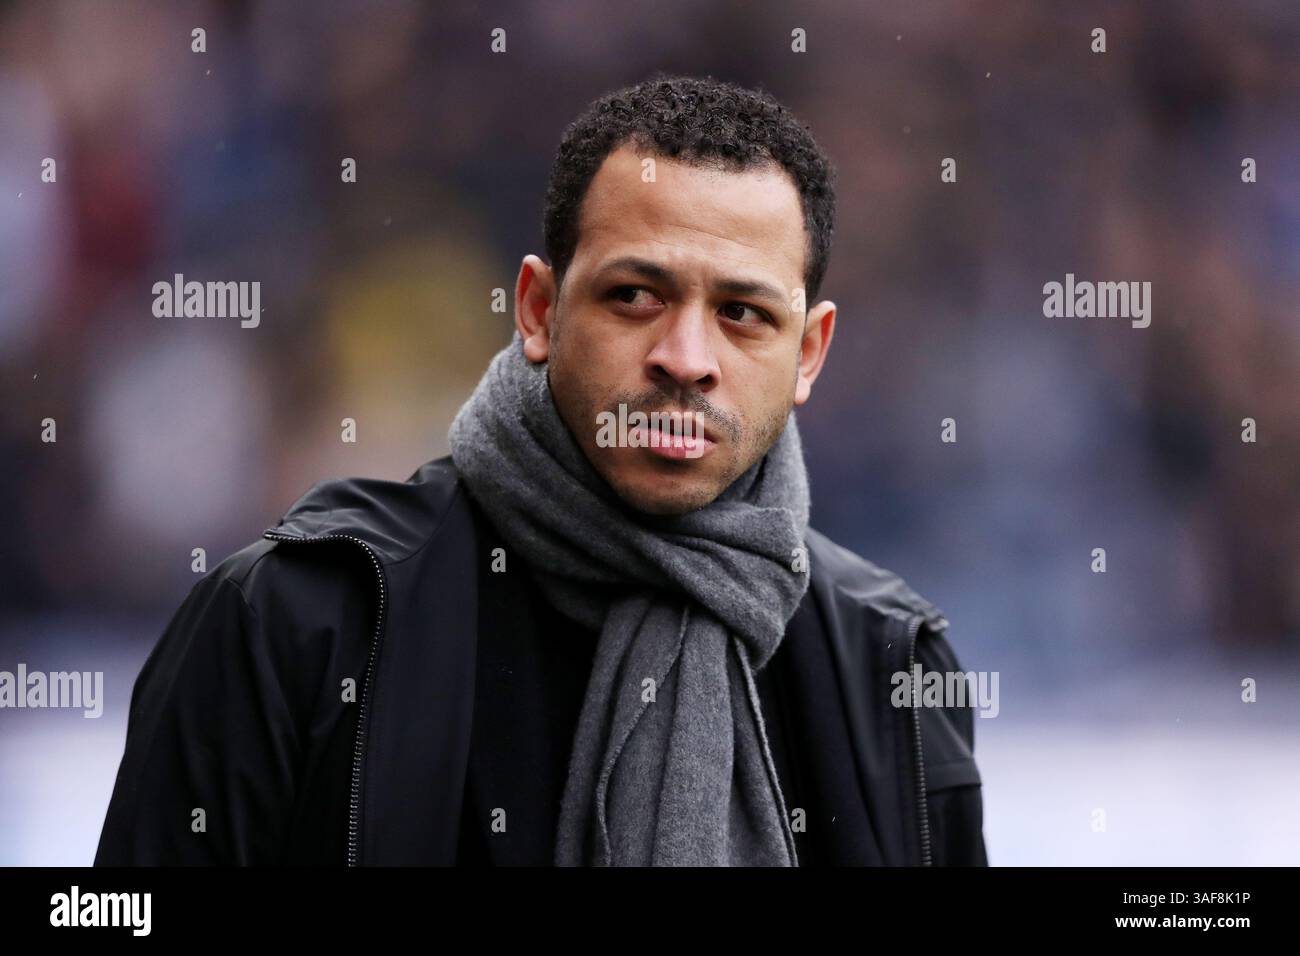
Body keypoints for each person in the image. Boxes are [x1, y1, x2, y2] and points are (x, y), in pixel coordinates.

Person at [95, 73, 988, 867]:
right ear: (538, 309)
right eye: (635, 296)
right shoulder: (295, 622)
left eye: (743, 312)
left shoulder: (894, 665)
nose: (685, 357)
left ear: (809, 354)